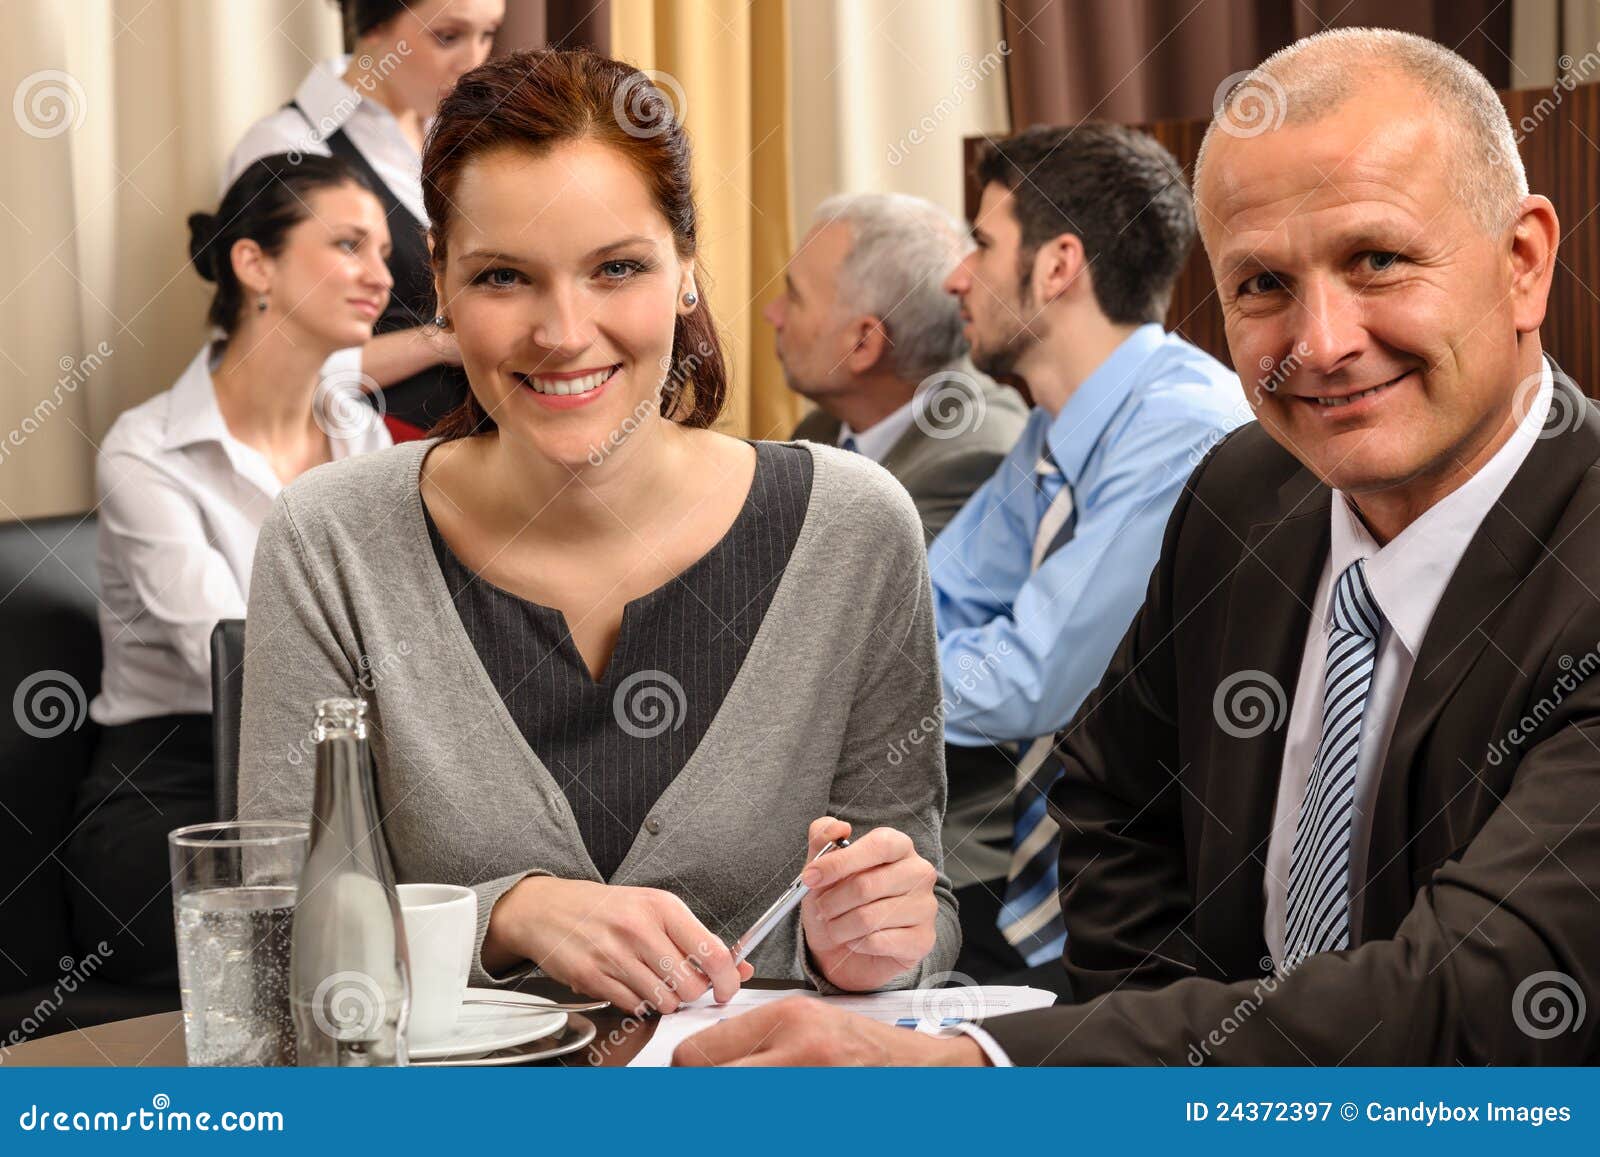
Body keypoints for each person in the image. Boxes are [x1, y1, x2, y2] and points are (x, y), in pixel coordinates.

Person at [673, 28, 1600, 1066]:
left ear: (1523, 262)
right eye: (1260, 285)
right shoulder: (1246, 487)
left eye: (1375, 259)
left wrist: (985, 1067)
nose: (1322, 340)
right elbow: (1113, 798)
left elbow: (1473, 994)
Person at [238, 49, 958, 1019]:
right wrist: (508, 914)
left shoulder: (855, 527)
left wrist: (873, 940)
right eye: (503, 277)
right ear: (442, 289)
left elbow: (916, 906)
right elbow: (272, 936)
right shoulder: (329, 540)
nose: (564, 331)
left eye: (616, 267)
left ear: (687, 273)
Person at [69, 153, 394, 986]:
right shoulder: (146, 450)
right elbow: (237, 660)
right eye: (350, 245)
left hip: (344, 773)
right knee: (307, 958)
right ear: (255, 263)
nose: (380, 275)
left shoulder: (361, 437)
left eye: (385, 253)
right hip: (178, 788)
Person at [929, 124, 1244, 979]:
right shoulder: (1055, 429)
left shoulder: (1182, 428)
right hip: (1066, 885)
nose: (959, 276)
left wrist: (844, 678)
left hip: (1169, 918)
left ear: (1058, 264)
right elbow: (925, 603)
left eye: (983, 245)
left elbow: (1029, 679)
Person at [226, 0, 505, 439]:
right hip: (379, 452)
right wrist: (437, 344)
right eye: (448, 36)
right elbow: (273, 354)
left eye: (488, 34)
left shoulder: (470, 135)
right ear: (372, 23)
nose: (473, 63)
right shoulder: (289, 146)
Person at [772, 193, 1026, 543]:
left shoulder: (974, 458)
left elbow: (846, 593)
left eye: (794, 297)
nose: (772, 313)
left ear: (863, 343)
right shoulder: (821, 430)